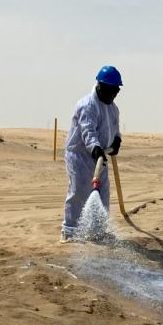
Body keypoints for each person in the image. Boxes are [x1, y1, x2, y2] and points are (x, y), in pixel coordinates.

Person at [61, 66, 122, 241]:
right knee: (79, 191)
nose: (113, 95)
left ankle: (98, 232)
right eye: (111, 91)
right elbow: (88, 131)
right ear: (101, 86)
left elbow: (115, 129)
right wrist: (95, 148)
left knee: (103, 195)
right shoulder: (87, 105)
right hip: (80, 156)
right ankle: (69, 231)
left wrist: (117, 140)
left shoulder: (113, 109)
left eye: (116, 92)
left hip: (100, 158)